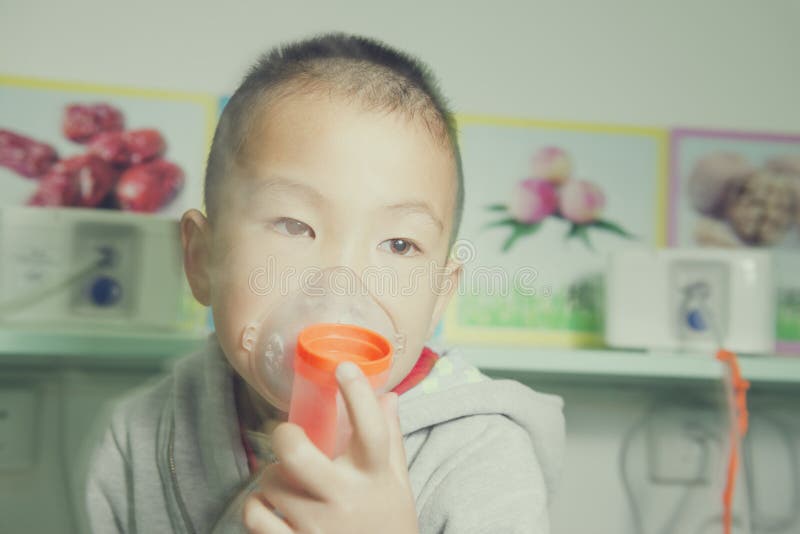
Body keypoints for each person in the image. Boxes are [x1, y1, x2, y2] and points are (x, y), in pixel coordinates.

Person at [83, 32, 565, 534]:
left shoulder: (481, 457)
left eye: (400, 244)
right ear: (202, 259)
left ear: (439, 298)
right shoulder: (139, 437)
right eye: (295, 225)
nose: (340, 288)